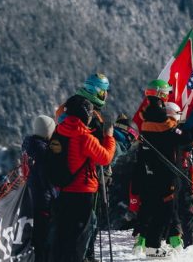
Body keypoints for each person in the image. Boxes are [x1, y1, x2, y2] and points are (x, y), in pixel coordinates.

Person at [133, 81, 193, 257]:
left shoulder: (147, 119)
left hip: (151, 172)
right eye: (166, 93)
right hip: (164, 174)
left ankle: (151, 244)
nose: (167, 95)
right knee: (164, 211)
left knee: (156, 210)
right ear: (161, 95)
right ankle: (152, 246)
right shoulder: (161, 120)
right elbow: (182, 138)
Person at [51, 82, 116, 262]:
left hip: (62, 189)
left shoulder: (59, 131)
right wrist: (109, 137)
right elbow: (105, 158)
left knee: (63, 236)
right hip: (82, 192)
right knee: (79, 238)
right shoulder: (84, 137)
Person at [23, 115, 57, 261]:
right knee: (43, 241)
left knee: (33, 240)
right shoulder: (43, 151)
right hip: (43, 200)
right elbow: (47, 178)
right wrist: (55, 195)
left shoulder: (28, 146)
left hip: (29, 198)